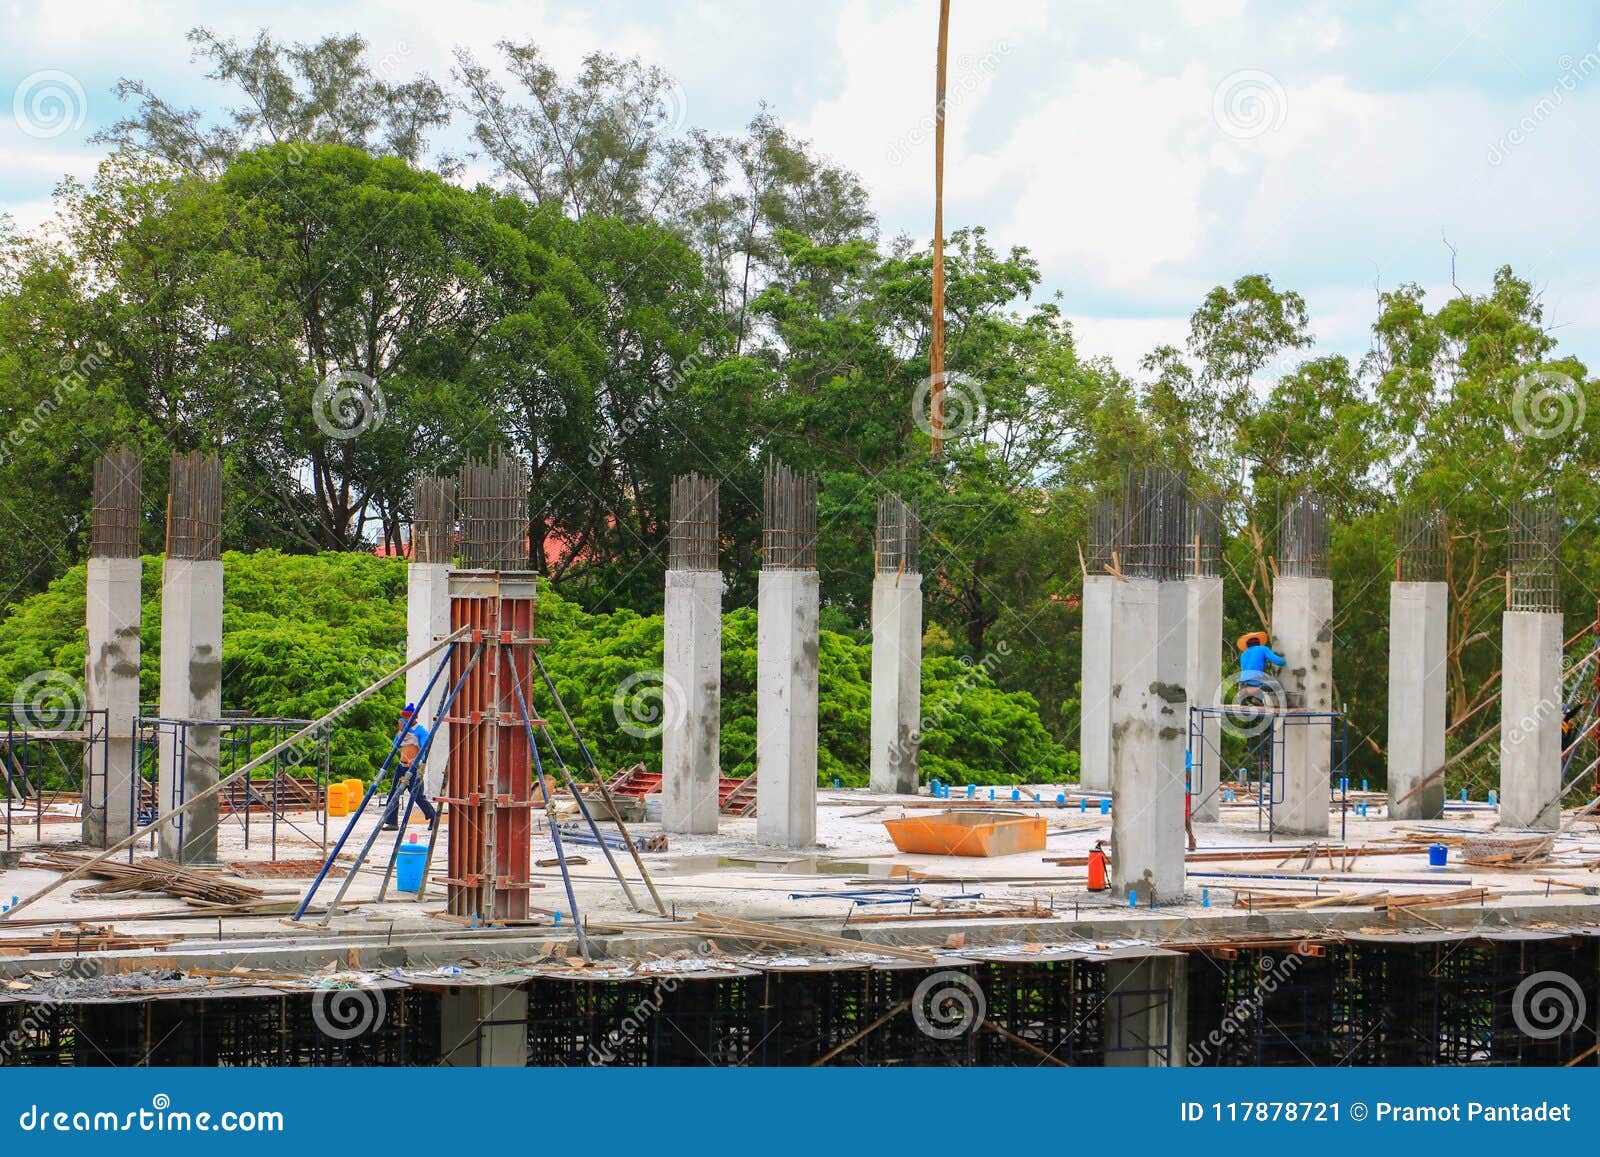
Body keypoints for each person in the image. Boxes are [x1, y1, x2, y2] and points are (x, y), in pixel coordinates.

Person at [382, 703, 437, 830]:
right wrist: (401, 731)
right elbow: (396, 745)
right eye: (404, 717)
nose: (405, 720)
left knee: (417, 795)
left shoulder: (420, 731)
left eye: (408, 717)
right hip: (401, 766)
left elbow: (424, 749)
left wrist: (416, 760)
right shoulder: (403, 731)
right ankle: (392, 822)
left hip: (413, 768)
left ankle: (433, 816)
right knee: (394, 794)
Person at [1236, 631, 1286, 706]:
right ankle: (1257, 693)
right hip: (1255, 685)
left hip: (1242, 684)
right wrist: (1285, 660)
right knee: (1277, 685)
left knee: (1258, 700)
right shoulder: (1263, 649)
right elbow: (1279, 662)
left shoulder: (1243, 654)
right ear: (1259, 642)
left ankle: (1250, 697)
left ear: (1247, 644)